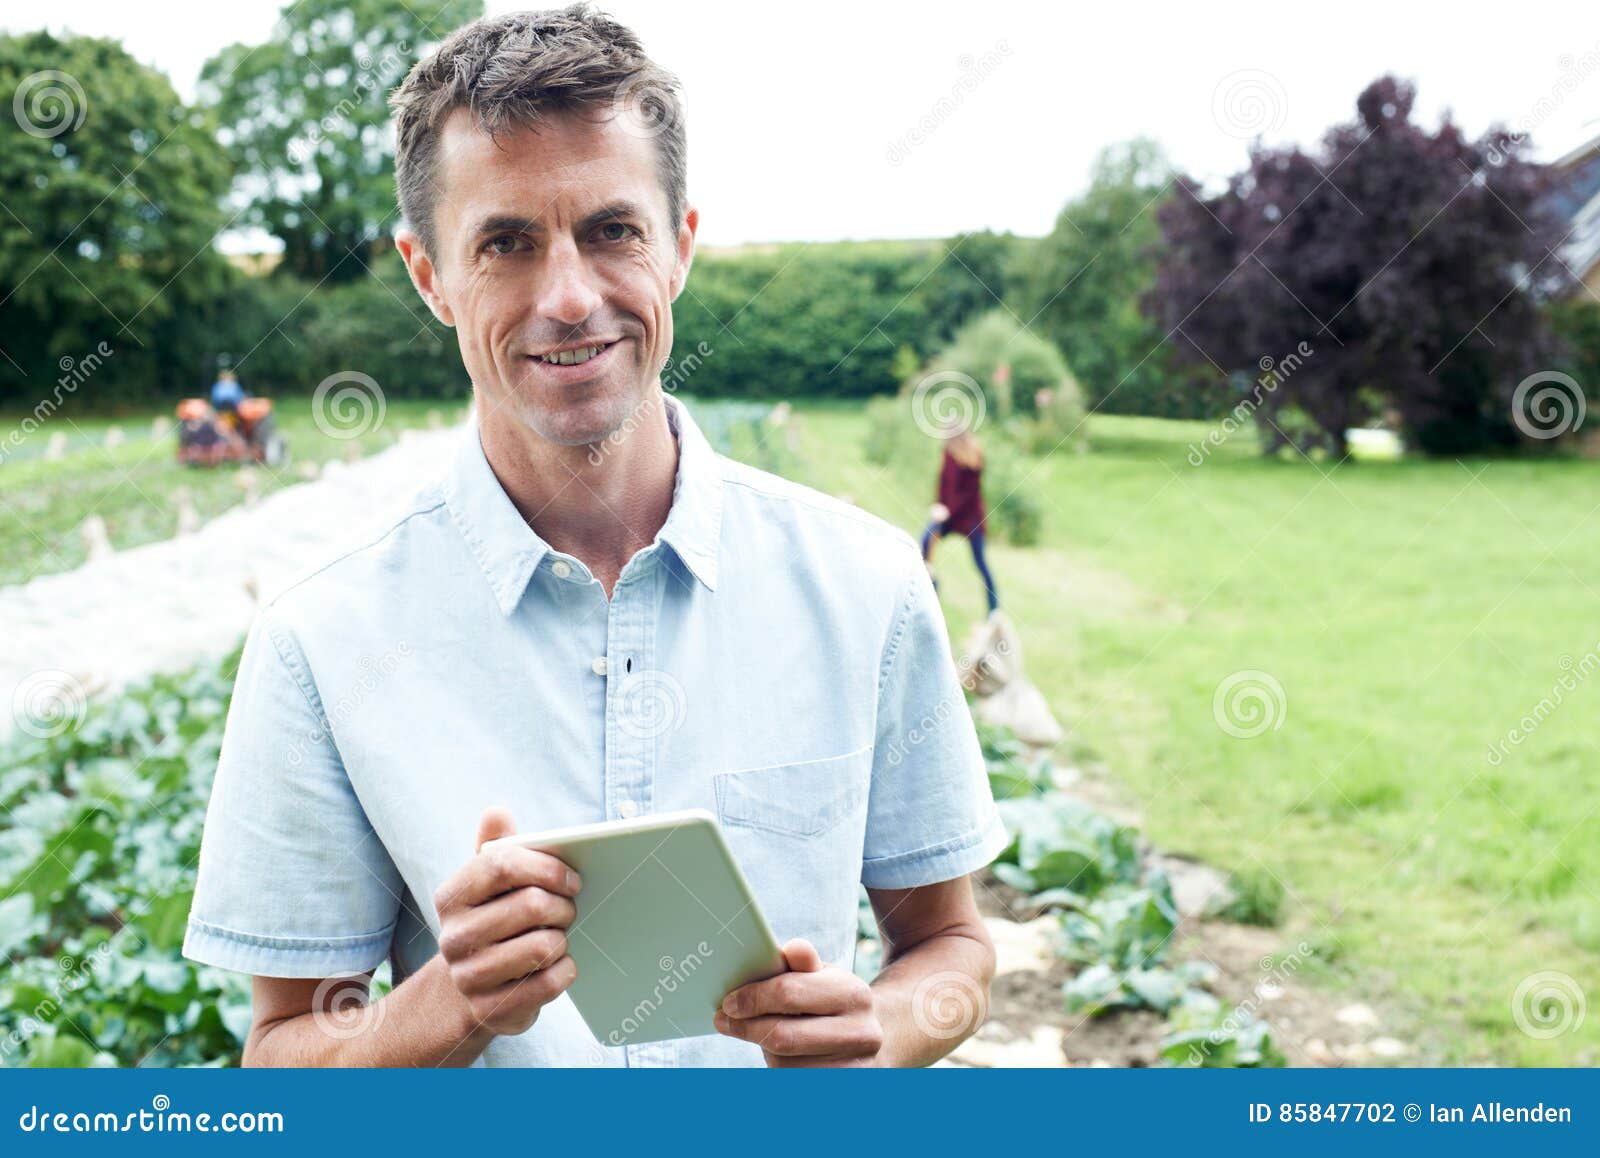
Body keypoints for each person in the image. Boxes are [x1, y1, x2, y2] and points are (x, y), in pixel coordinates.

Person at [182, 5, 1004, 1070]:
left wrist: (883, 1029)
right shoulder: (320, 644)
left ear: (680, 249)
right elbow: (284, 1060)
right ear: (429, 275)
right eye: (506, 243)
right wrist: (450, 1003)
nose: (568, 298)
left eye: (612, 230)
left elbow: (949, 946)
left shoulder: (868, 585)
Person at [921, 421, 1000, 616]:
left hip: (970, 517)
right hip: (949, 515)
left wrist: (947, 511)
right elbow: (943, 483)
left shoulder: (972, 457)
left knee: (980, 563)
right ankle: (930, 591)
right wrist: (939, 505)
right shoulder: (948, 453)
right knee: (925, 542)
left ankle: (994, 612)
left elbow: (968, 495)